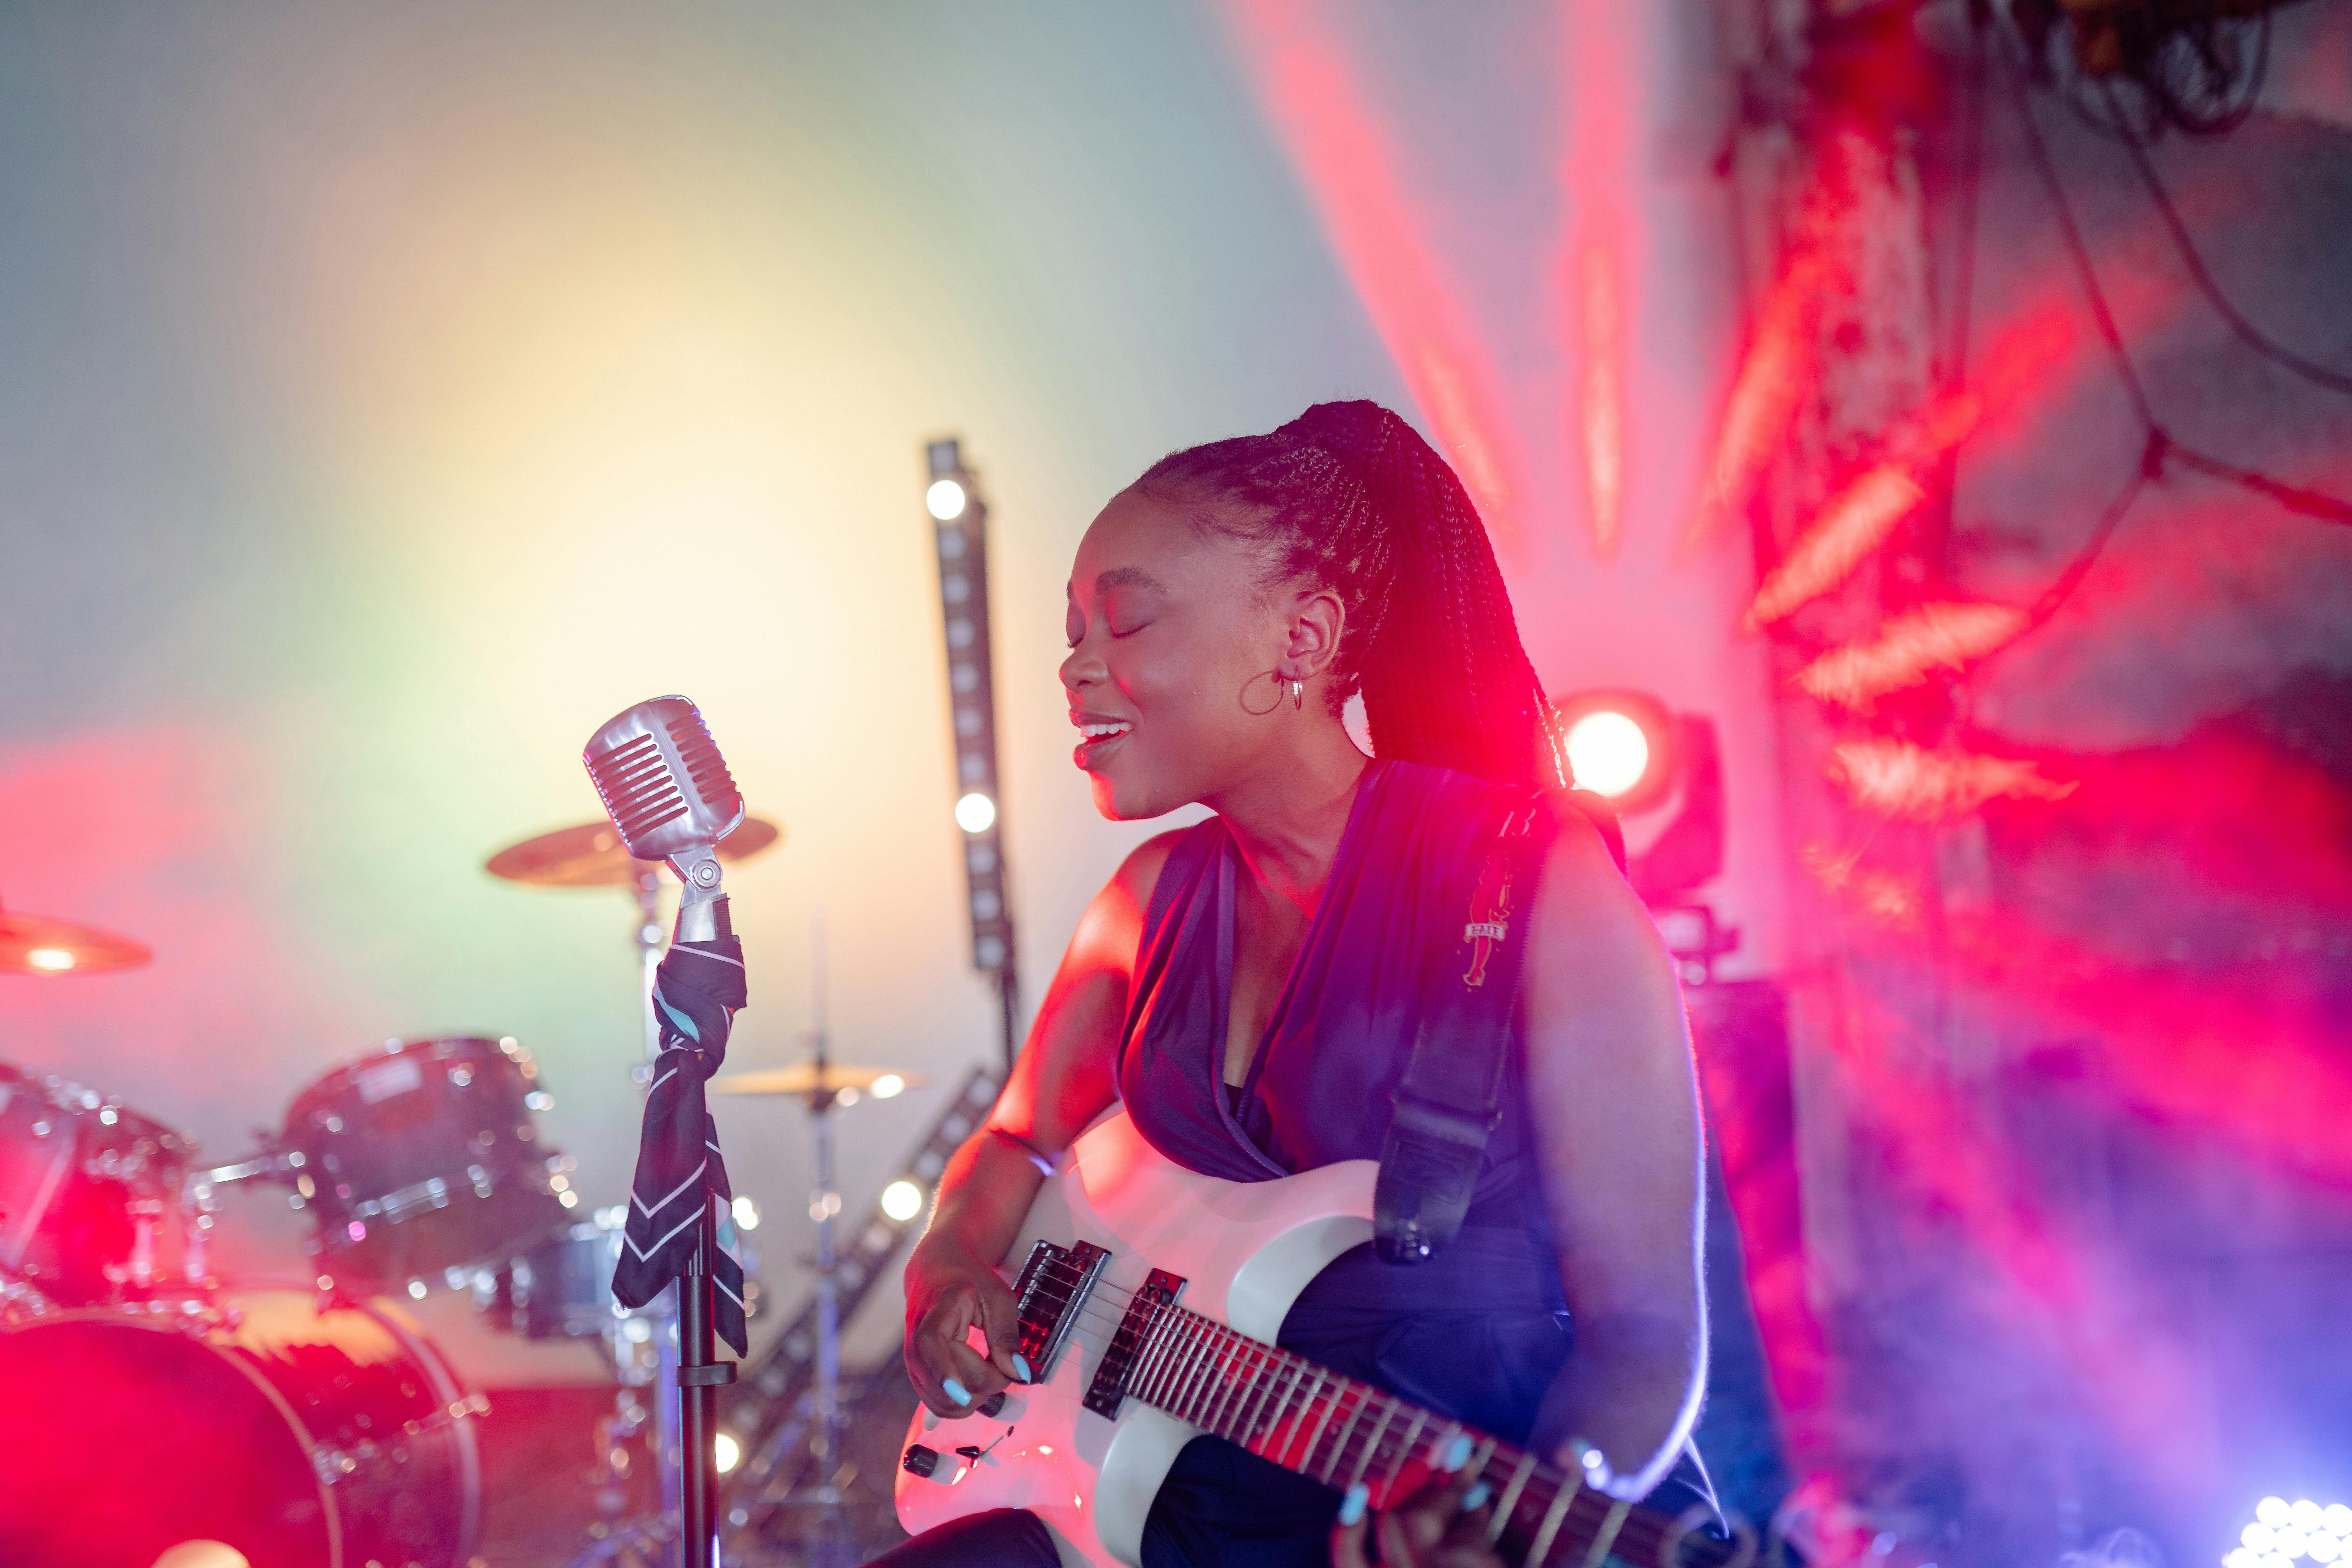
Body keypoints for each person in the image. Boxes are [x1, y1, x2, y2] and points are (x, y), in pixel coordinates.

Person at [878, 400, 1707, 1568]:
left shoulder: (1537, 887)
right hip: (1155, 1508)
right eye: (1072, 631)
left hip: (1442, 1516)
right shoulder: (1147, 899)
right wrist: (951, 1264)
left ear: (1302, 640)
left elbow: (1646, 1334)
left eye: (1123, 622)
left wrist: (1525, 1525)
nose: (1074, 668)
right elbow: (1016, 1142)